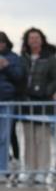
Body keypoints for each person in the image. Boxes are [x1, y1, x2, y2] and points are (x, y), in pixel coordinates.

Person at [19, 27, 56, 182]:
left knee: (42, 138)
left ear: (42, 39)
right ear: (27, 40)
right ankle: (29, 169)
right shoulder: (23, 58)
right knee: (28, 137)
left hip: (44, 104)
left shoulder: (50, 58)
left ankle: (42, 170)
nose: (34, 40)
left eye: (37, 37)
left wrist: (46, 91)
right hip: (26, 103)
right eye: (31, 38)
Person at [0, 32, 25, 180]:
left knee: (7, 136)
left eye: (1, 42)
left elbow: (19, 76)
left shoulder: (13, 58)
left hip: (8, 100)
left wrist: (6, 66)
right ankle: (7, 163)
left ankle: (8, 166)